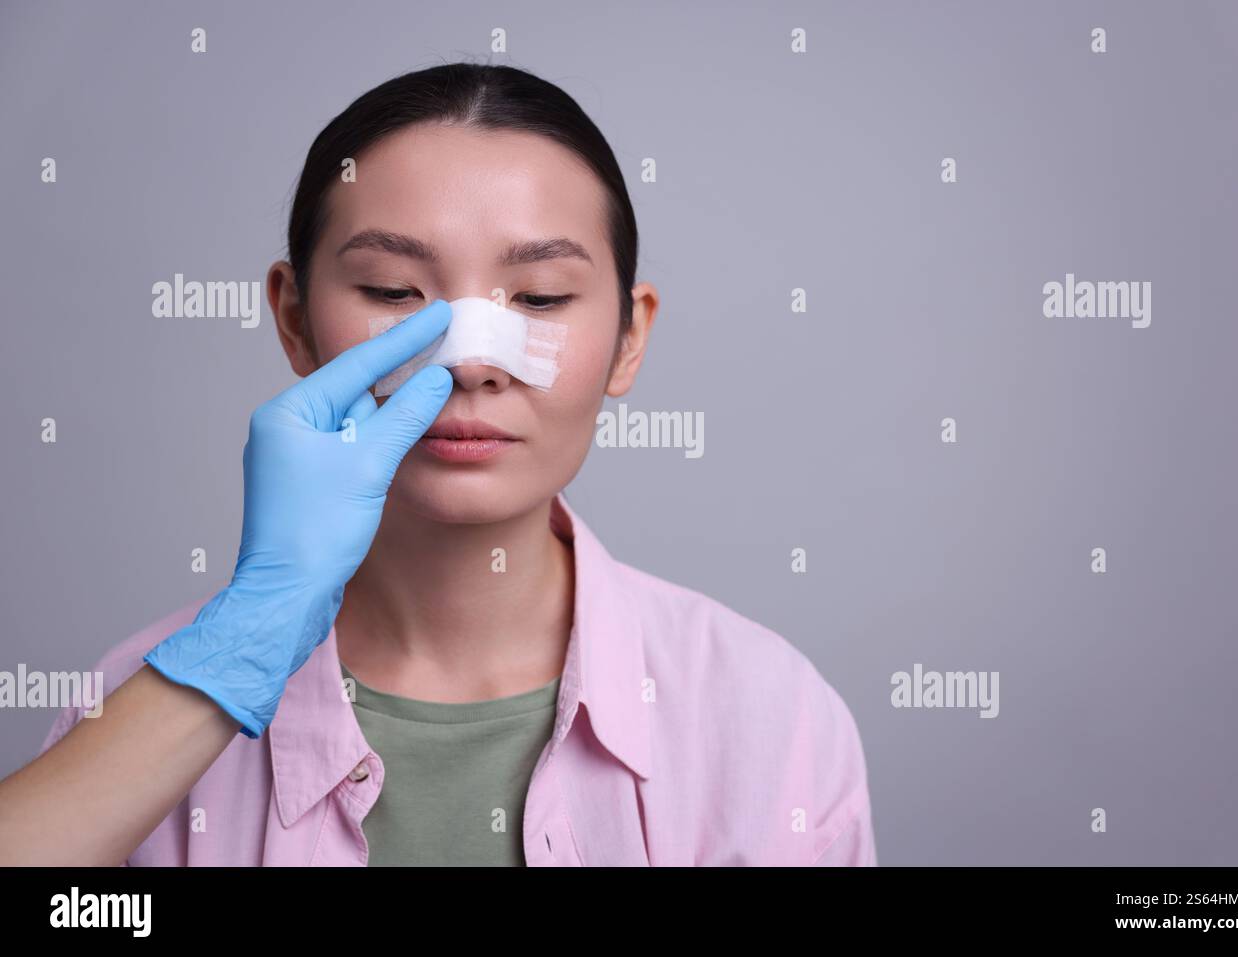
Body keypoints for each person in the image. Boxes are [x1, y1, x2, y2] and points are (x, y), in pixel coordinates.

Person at [0, 62, 875, 866]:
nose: (469, 361)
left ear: (628, 336)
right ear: (295, 319)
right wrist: (238, 649)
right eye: (391, 293)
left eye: (538, 299)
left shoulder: (772, 719)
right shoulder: (129, 704)